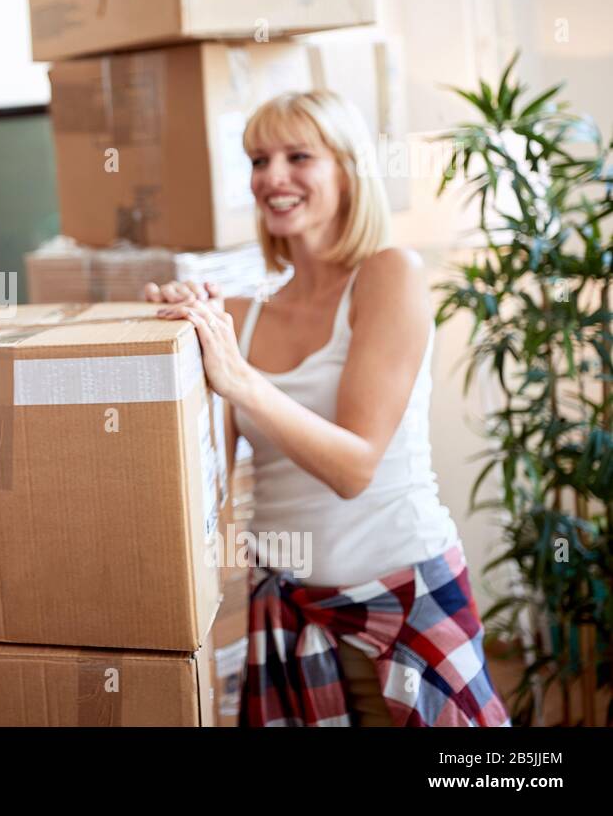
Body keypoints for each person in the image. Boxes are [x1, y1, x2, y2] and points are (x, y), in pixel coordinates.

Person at [145, 90, 510, 727]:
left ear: (347, 168)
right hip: (291, 614)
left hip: (406, 602)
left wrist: (240, 377)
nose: (272, 177)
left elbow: (355, 467)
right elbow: (206, 494)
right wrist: (166, 338)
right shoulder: (239, 314)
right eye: (258, 160)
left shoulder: (389, 275)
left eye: (297, 156)